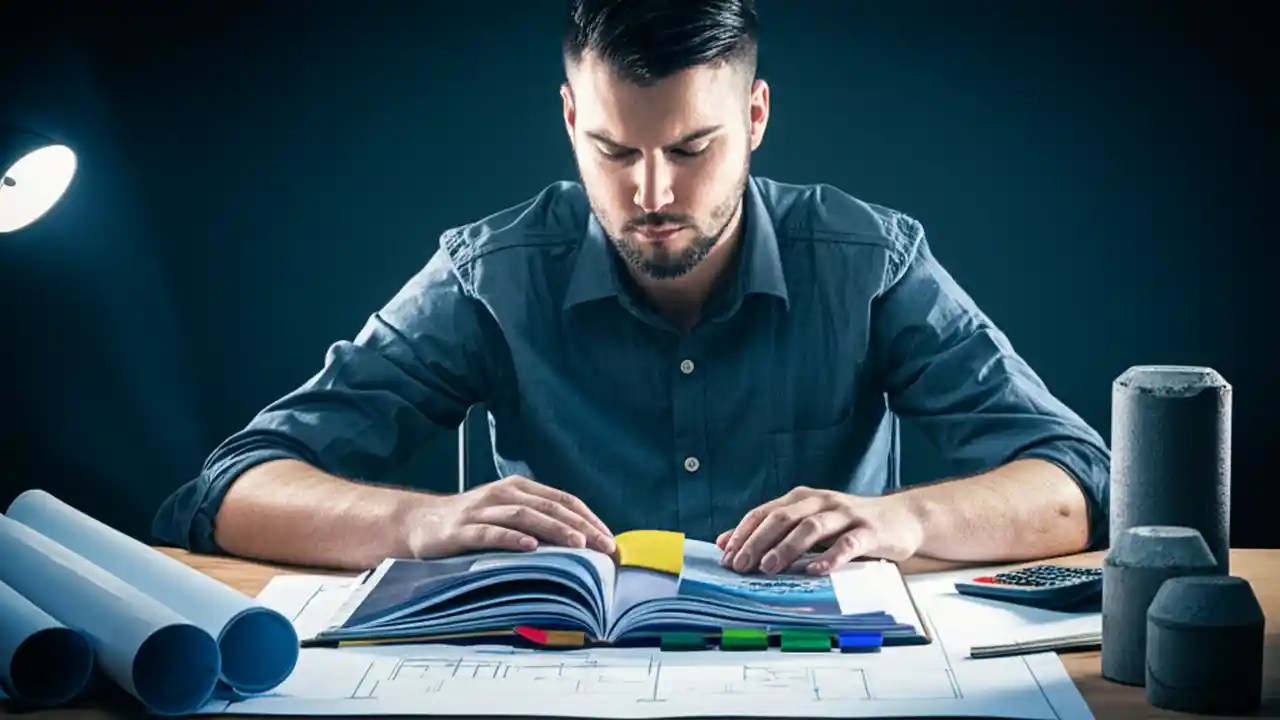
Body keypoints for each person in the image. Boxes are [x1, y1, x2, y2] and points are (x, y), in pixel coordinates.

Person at [153, 0, 1110, 575]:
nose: (652, 194)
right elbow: (229, 488)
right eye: (614, 150)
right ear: (571, 120)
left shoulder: (871, 261)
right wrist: (422, 521)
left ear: (756, 115)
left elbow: (1084, 481)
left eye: (693, 148)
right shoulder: (490, 275)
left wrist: (903, 520)